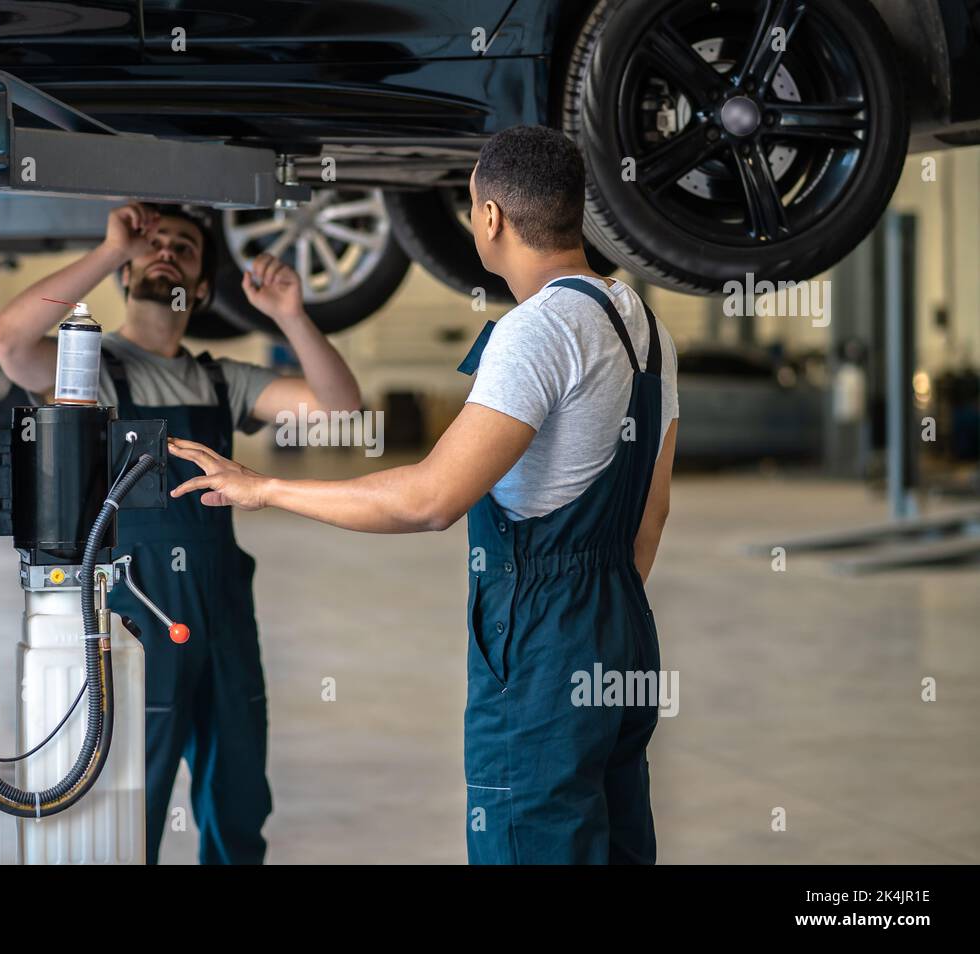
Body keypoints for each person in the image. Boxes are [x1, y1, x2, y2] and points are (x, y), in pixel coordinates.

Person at [167, 126, 680, 864]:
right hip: (622, 621)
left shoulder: (536, 331)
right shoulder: (647, 327)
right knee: (617, 835)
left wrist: (266, 487)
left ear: (492, 218)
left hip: (544, 638)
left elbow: (429, 500)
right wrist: (601, 616)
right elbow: (651, 515)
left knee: (530, 836)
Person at [0, 203, 362, 864]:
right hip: (139, 615)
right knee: (135, 796)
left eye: (185, 248)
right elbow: (11, 339)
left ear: (201, 287)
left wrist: (289, 316)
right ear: (128, 273)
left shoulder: (222, 381)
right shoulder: (89, 371)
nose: (167, 251)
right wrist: (110, 249)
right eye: (153, 243)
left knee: (240, 798)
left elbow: (340, 413)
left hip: (223, 620)